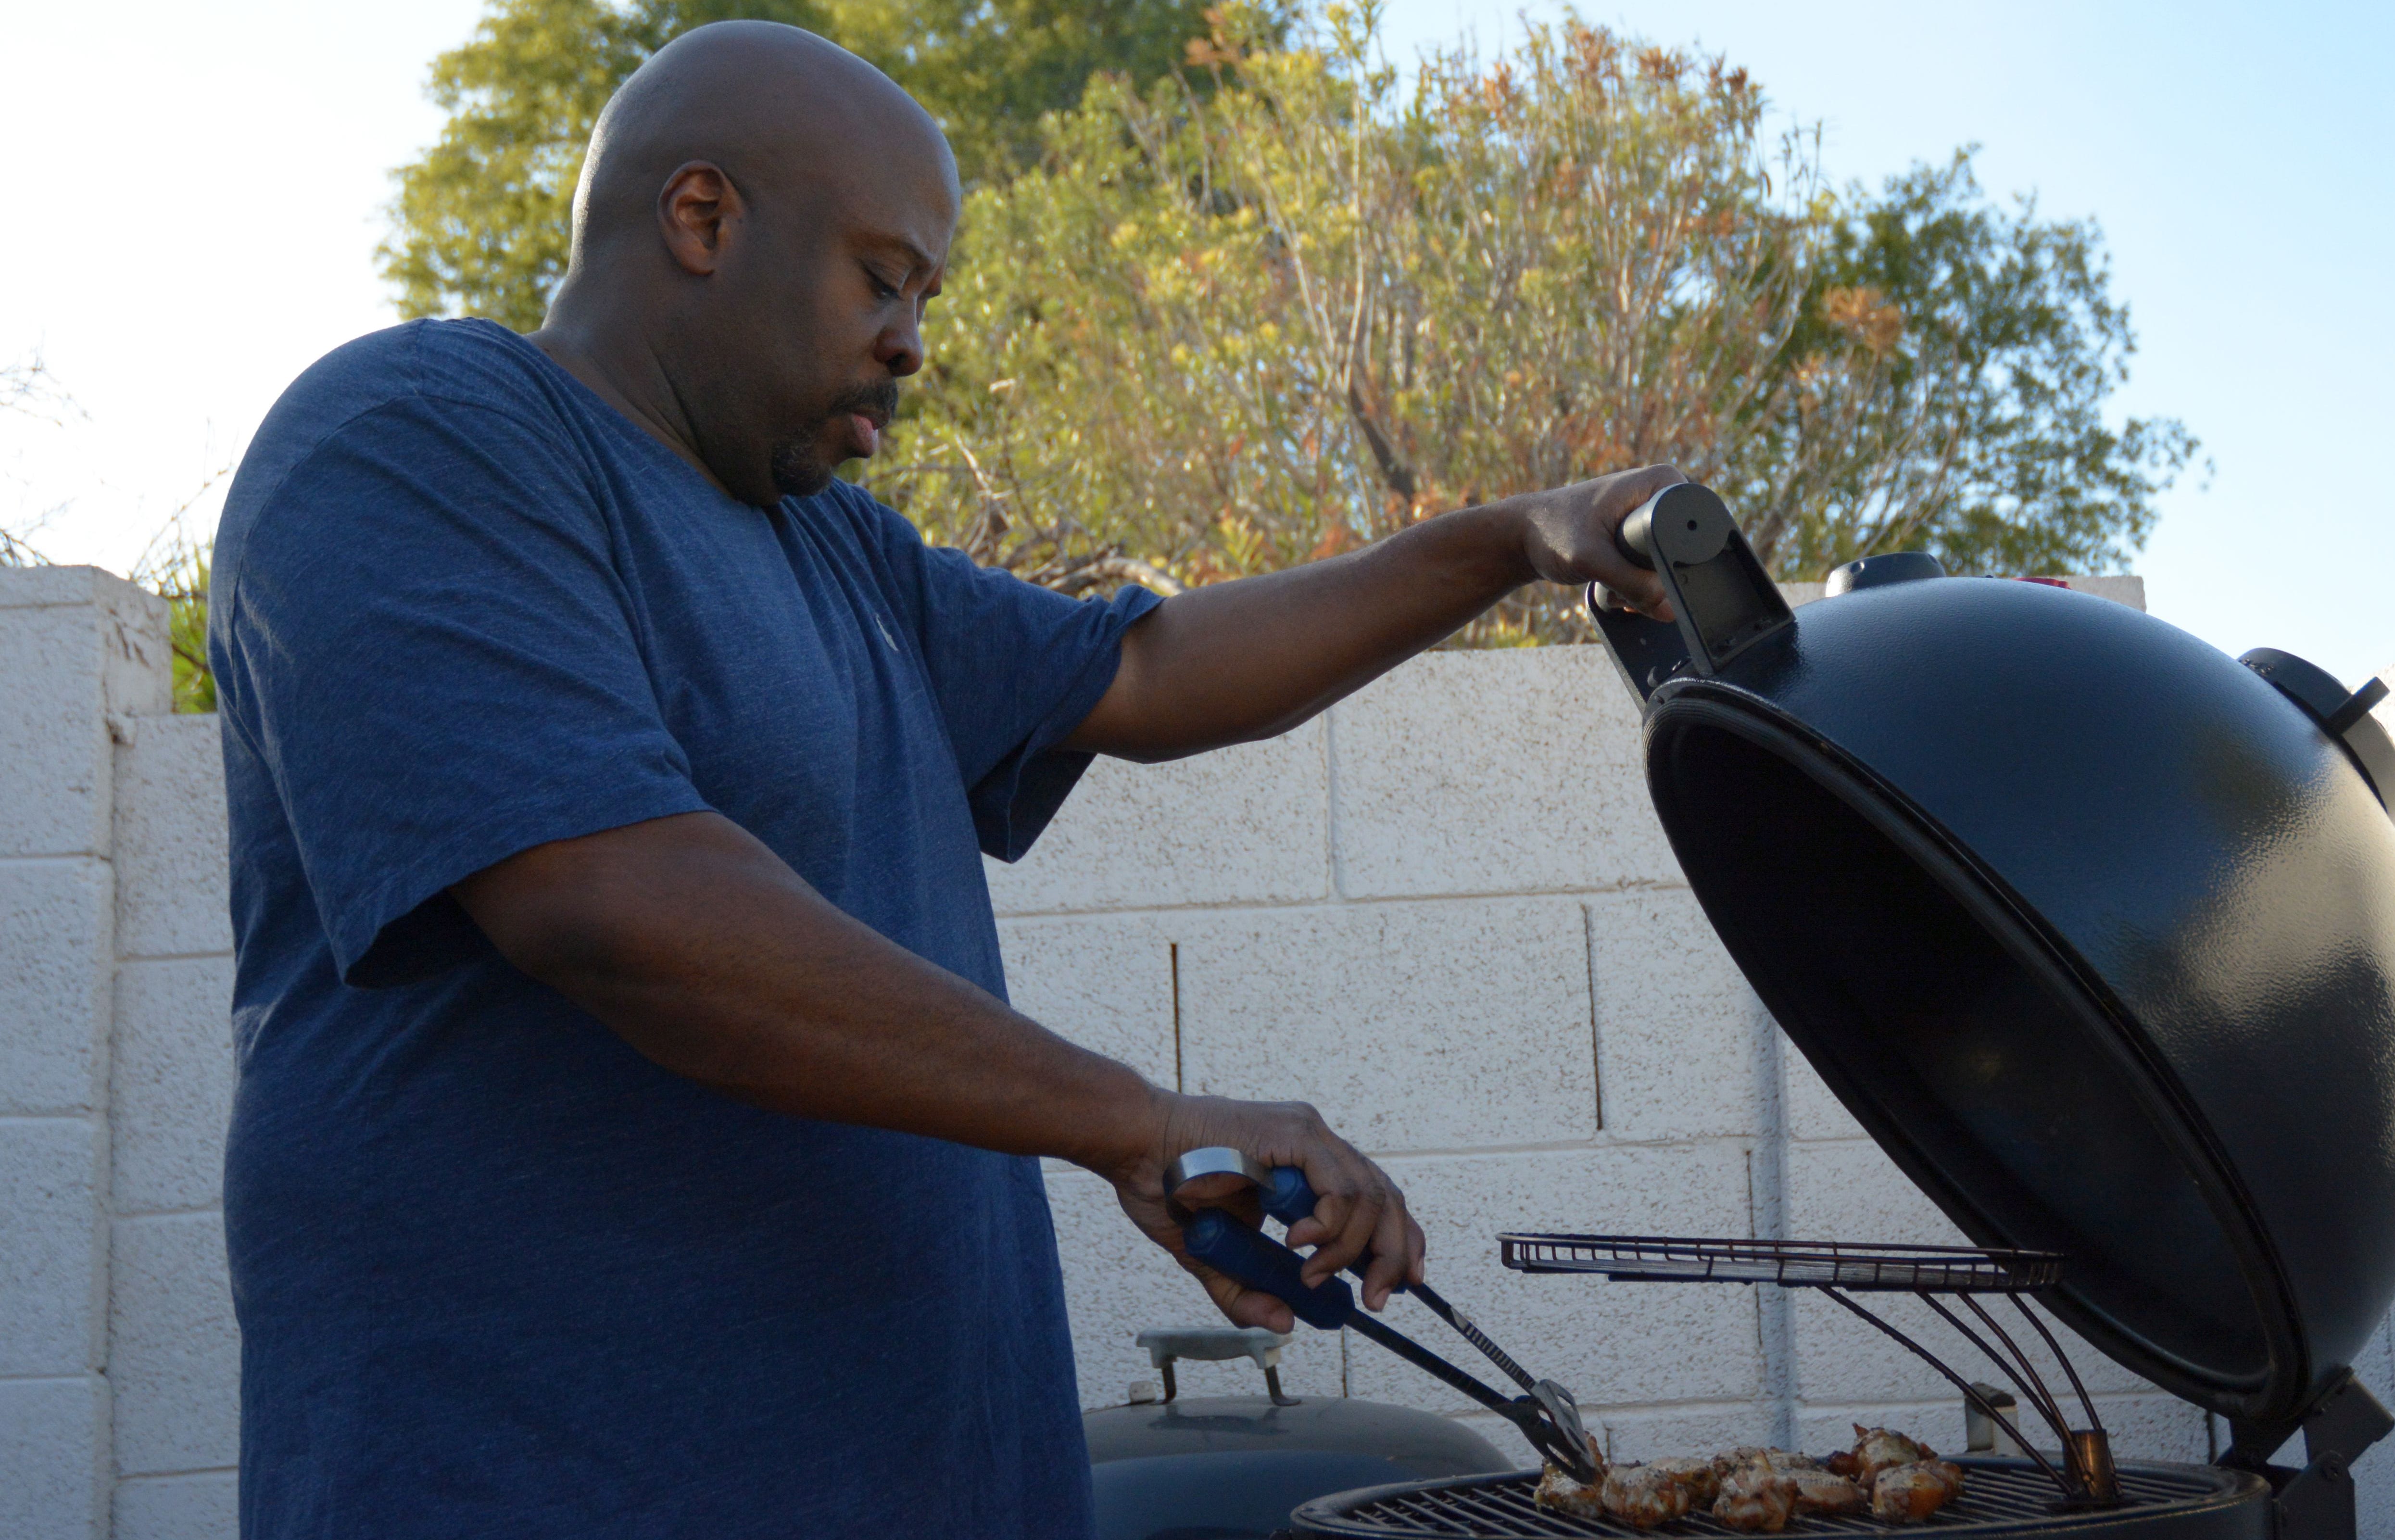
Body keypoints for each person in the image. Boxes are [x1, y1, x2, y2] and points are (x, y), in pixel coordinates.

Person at [210, 19, 1676, 1539]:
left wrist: (1509, 539)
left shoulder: (837, 552)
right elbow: (610, 898)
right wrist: (1133, 1116)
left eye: (925, 294)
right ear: (702, 219)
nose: (912, 339)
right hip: (558, 1482)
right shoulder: (423, 435)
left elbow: (1156, 669)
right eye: (881, 277)